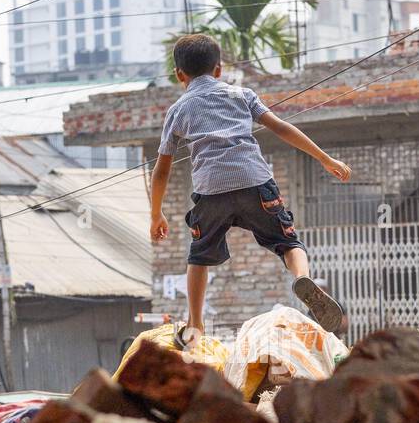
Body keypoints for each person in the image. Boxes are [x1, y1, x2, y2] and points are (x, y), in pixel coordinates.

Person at [149, 33, 351, 339]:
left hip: (210, 190)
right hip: (255, 181)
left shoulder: (178, 109)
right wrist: (325, 158)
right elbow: (282, 127)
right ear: (218, 69)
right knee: (289, 242)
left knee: (200, 256)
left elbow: (162, 170)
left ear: (179, 75)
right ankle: (302, 278)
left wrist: (156, 214)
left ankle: (195, 323)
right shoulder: (241, 95)